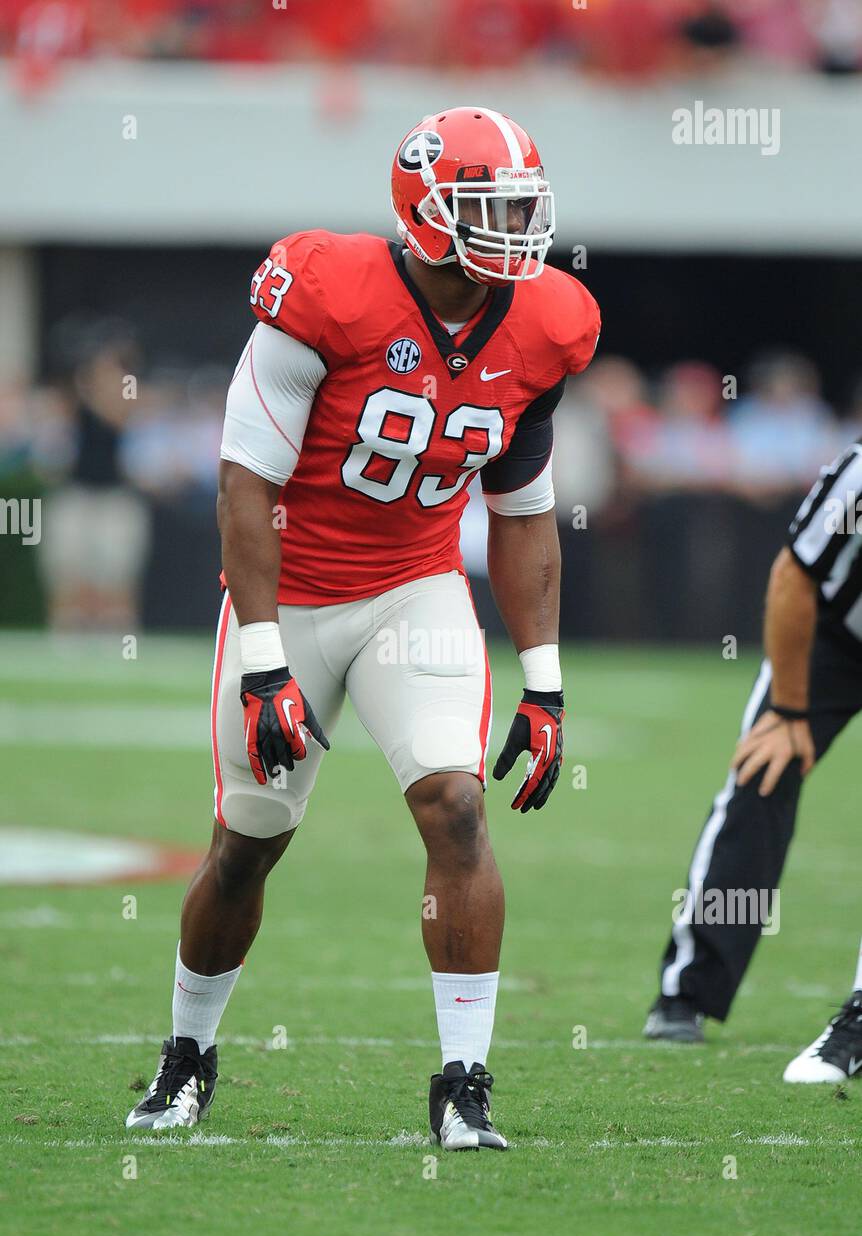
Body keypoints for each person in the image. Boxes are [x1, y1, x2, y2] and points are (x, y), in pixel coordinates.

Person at [126, 106, 600, 1149]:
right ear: (424, 211)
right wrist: (262, 665)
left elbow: (522, 515)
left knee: (455, 810)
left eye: (523, 206)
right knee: (248, 845)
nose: (515, 229)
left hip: (413, 588)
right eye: (490, 208)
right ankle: (187, 1054)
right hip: (288, 591)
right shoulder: (326, 290)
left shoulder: (546, 322)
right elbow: (244, 486)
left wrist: (547, 680)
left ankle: (464, 1085)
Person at [645, 436, 862, 1084]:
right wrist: (789, 715)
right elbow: (794, 575)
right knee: (762, 776)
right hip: (830, 637)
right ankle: (689, 987)